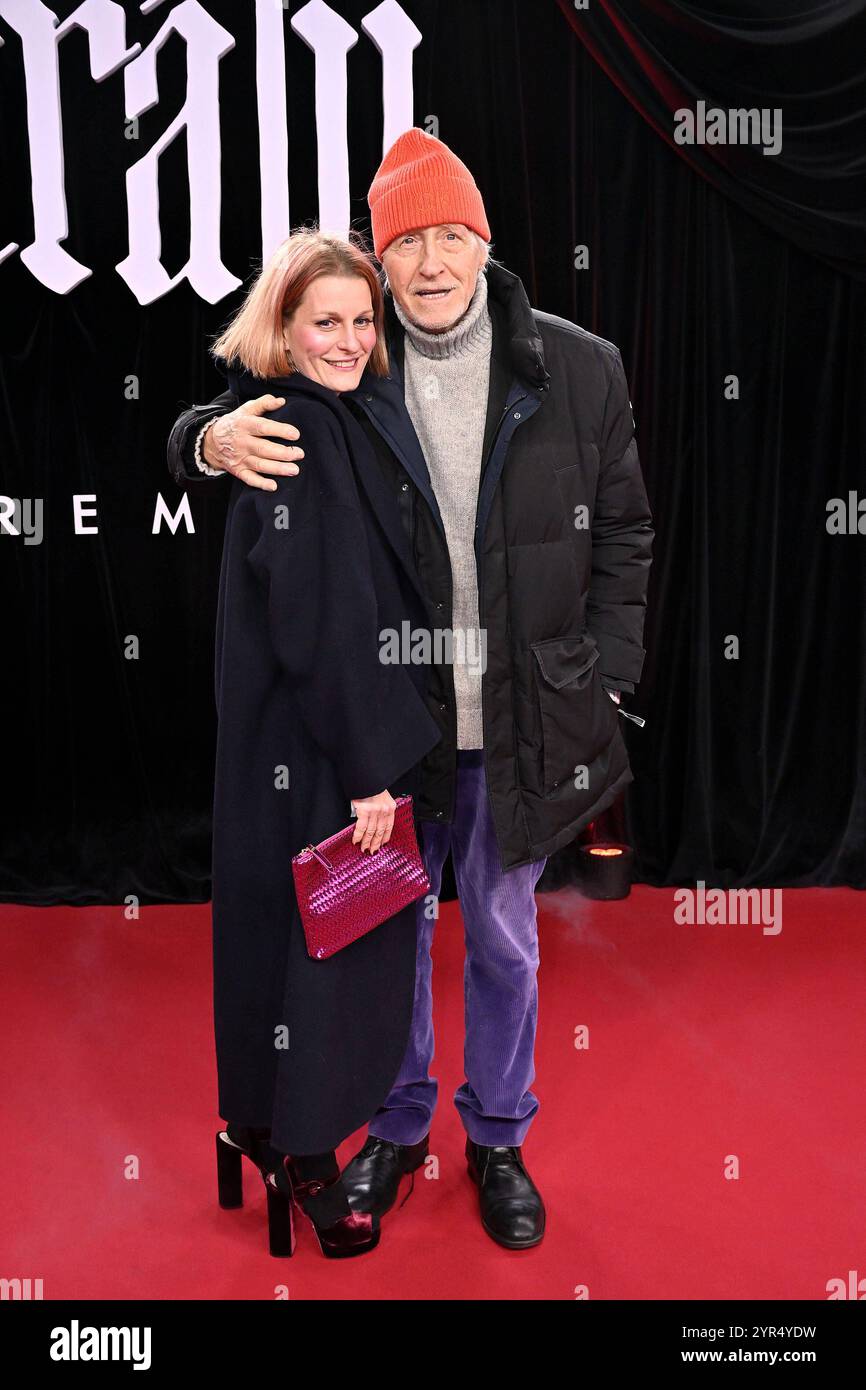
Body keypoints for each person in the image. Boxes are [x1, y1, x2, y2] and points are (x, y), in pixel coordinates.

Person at [169, 129, 654, 1250]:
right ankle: (395, 1130)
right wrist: (200, 439)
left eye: (450, 237)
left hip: (524, 722)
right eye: (407, 245)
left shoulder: (576, 367)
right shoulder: (355, 370)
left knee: (501, 937)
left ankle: (496, 1136)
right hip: (392, 738)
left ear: (482, 241)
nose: (430, 264)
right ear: (379, 261)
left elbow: (624, 531)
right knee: (383, 939)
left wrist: (608, 681)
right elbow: (240, 414)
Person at [207, 227, 442, 1259]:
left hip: (282, 741)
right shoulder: (295, 432)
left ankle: (255, 1127)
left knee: (277, 935)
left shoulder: (330, 417)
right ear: (285, 331)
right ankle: (305, 1155)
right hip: (322, 749)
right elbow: (323, 621)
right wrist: (370, 772)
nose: (348, 338)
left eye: (361, 319)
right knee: (328, 951)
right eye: (325, 322)